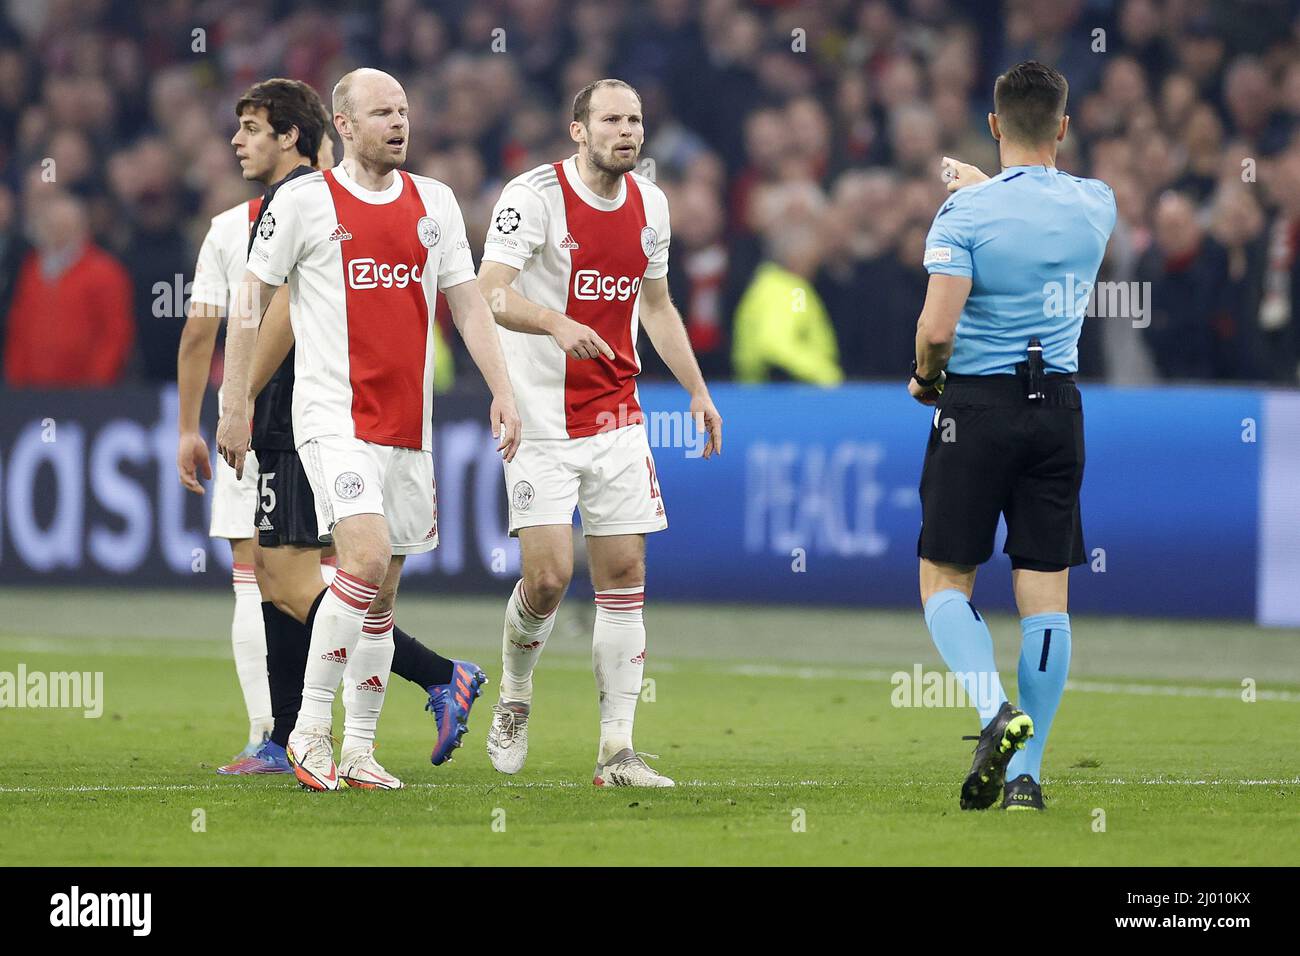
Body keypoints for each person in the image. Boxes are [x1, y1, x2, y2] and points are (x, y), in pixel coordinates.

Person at [217, 68, 520, 791]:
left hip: (406, 428)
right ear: (344, 126)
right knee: (363, 552)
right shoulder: (305, 202)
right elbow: (252, 298)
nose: (398, 122)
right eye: (381, 112)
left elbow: (469, 306)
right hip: (331, 419)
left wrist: (502, 388)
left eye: (404, 111)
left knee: (380, 597)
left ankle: (360, 750)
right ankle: (308, 733)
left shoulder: (436, 203)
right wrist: (235, 400)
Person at [477, 79, 722, 787]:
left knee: (624, 574)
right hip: (540, 416)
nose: (628, 131)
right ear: (578, 129)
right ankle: (516, 694)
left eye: (636, 119)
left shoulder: (652, 204)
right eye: (612, 119)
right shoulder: (534, 197)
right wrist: (554, 321)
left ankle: (617, 751)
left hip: (617, 415)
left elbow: (657, 304)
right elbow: (492, 291)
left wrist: (698, 391)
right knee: (549, 579)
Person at [910, 62, 1116, 811]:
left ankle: (993, 709)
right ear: (1063, 125)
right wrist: (986, 187)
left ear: (994, 125)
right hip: (1058, 408)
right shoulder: (1099, 205)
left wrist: (926, 379)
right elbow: (1038, 210)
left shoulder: (962, 219)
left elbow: (937, 331)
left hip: (976, 408)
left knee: (944, 579)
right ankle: (1028, 775)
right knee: (1046, 599)